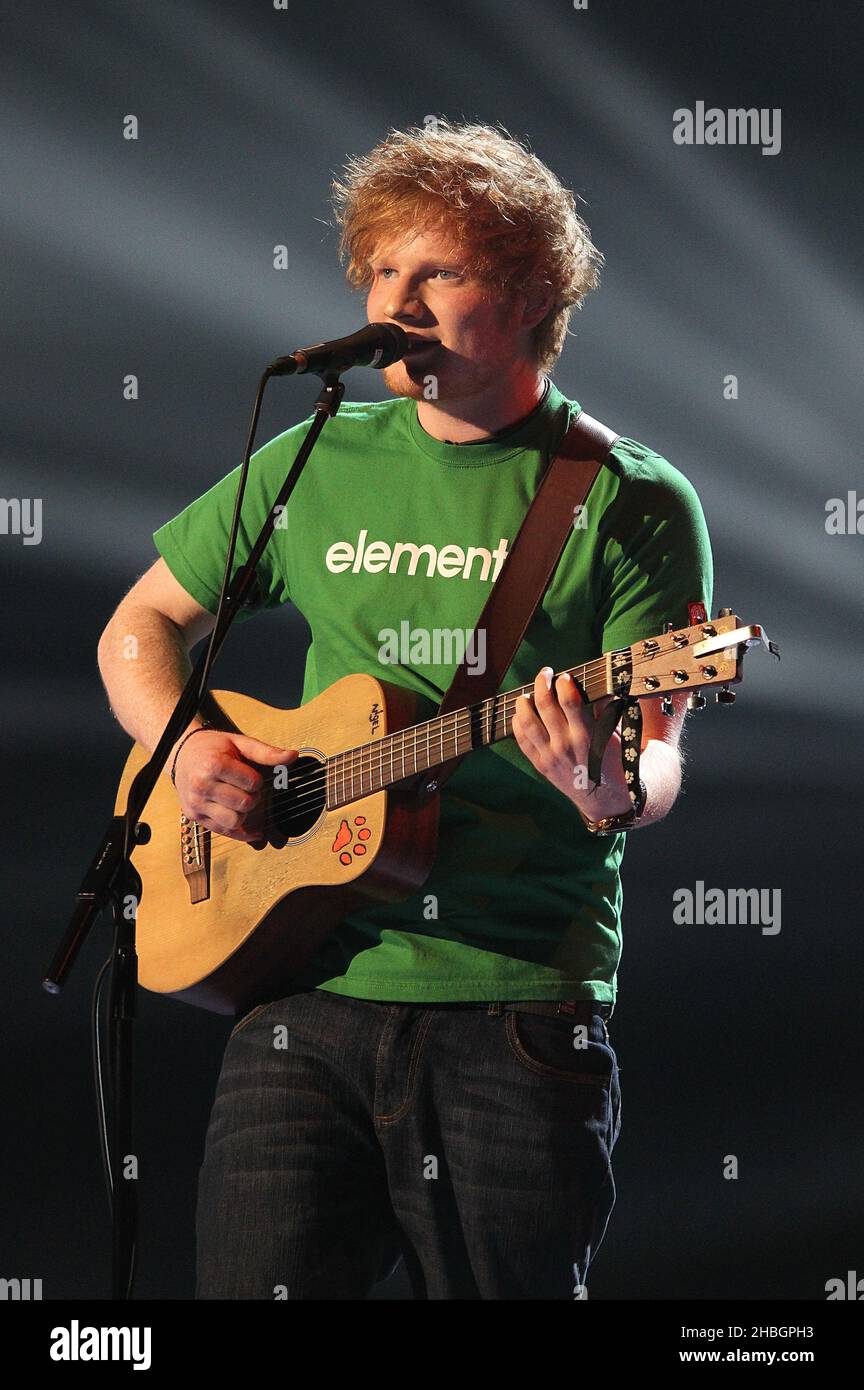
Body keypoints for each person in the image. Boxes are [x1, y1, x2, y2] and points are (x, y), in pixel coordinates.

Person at [97, 119, 713, 1299]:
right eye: (381, 269)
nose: (395, 298)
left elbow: (658, 753)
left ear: (533, 291)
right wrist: (186, 750)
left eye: (437, 270)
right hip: (303, 990)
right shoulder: (319, 453)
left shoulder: (631, 498)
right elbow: (137, 627)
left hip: (517, 1008)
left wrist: (611, 787)